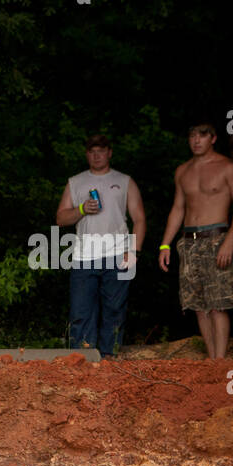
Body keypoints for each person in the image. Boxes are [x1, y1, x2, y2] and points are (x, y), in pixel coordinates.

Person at [157, 123, 233, 360]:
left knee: (218, 302)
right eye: (192, 136)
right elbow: (177, 209)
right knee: (197, 304)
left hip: (216, 238)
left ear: (213, 138)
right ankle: (211, 359)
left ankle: (220, 359)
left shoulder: (227, 167)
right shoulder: (183, 171)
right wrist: (165, 244)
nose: (196, 140)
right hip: (188, 242)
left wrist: (229, 241)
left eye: (202, 136)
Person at [54, 134, 146, 357]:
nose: (97, 155)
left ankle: (109, 361)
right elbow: (60, 219)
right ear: (87, 154)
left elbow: (140, 219)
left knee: (115, 312)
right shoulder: (76, 182)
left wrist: (134, 251)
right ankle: (82, 361)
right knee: (80, 313)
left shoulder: (125, 181)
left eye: (101, 150)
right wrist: (82, 209)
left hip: (118, 255)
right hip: (84, 257)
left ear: (109, 153)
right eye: (92, 151)